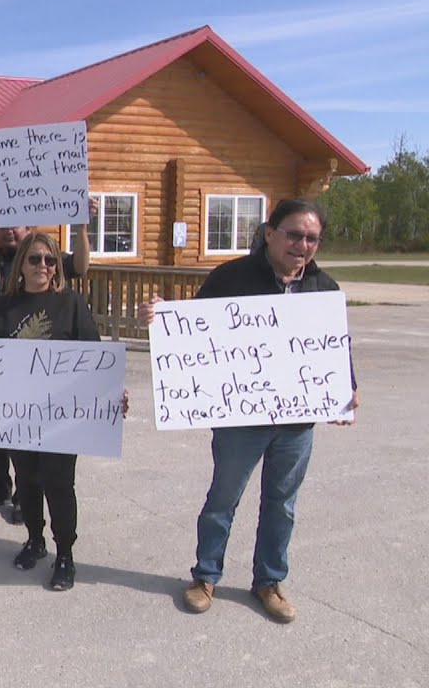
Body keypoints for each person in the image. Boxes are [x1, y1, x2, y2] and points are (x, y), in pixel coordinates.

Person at [140, 198, 359, 623]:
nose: (302, 244)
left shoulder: (324, 289)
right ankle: (205, 576)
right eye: (294, 234)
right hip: (240, 420)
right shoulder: (231, 277)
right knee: (223, 499)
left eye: (312, 238)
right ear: (270, 232)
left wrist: (346, 385)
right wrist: (160, 317)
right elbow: (192, 332)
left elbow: (335, 346)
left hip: (296, 423)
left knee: (282, 504)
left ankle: (269, 582)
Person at [0, 232, 121, 591]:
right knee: (27, 481)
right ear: (21, 264)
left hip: (61, 416)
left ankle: (65, 555)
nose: (42, 266)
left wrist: (111, 393)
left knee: (59, 484)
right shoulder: (1, 306)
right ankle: (34, 540)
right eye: (34, 259)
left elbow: (94, 355)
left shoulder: (70, 303)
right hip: (18, 414)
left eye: (49, 260)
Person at [0, 203, 95, 523]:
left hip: (36, 362)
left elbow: (79, 266)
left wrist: (81, 227)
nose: (10, 230)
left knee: (30, 437)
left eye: (18, 224)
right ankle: (0, 489)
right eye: (4, 224)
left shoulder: (43, 258)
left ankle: (27, 499)